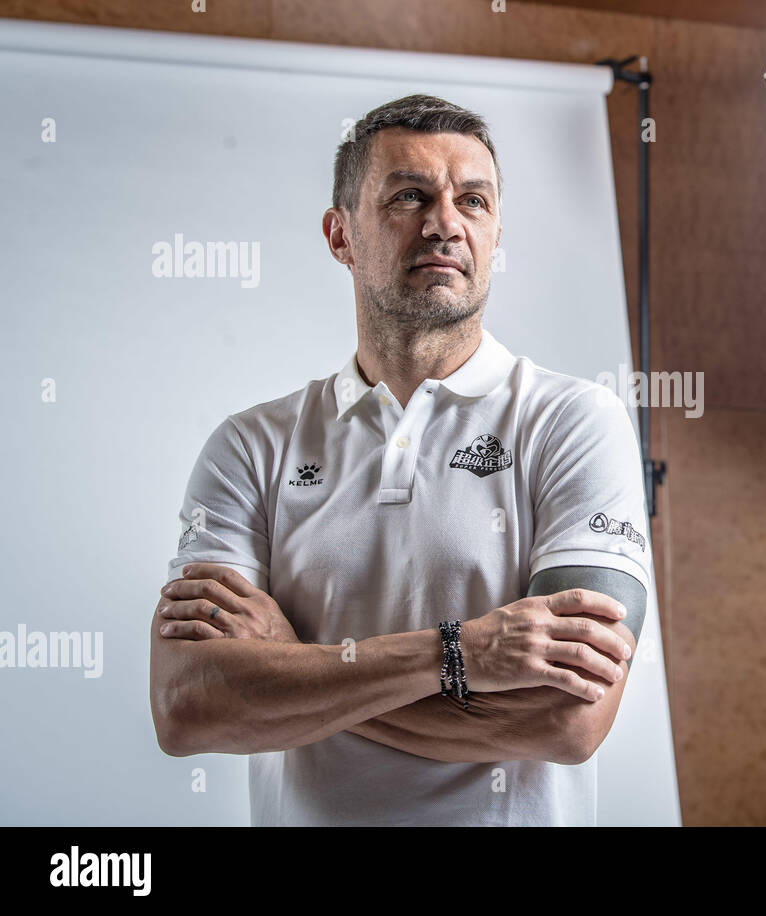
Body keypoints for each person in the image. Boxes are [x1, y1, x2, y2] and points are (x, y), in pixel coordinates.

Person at [148, 93, 652, 825]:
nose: (446, 223)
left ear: (495, 232)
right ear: (340, 234)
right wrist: (463, 653)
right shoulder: (250, 446)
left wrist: (294, 659)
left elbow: (567, 721)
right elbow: (188, 706)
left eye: (472, 200)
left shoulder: (575, 423)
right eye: (410, 196)